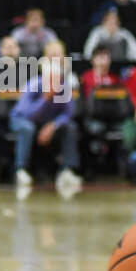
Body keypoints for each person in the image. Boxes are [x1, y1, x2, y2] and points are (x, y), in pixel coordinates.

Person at [9, 40, 81, 191]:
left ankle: (67, 170)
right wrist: (44, 99)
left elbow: (68, 113)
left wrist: (52, 125)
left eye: (57, 79)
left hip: (46, 123)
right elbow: (27, 114)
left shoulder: (63, 87)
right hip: (21, 119)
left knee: (70, 127)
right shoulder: (34, 85)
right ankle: (20, 170)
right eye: (51, 79)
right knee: (27, 128)